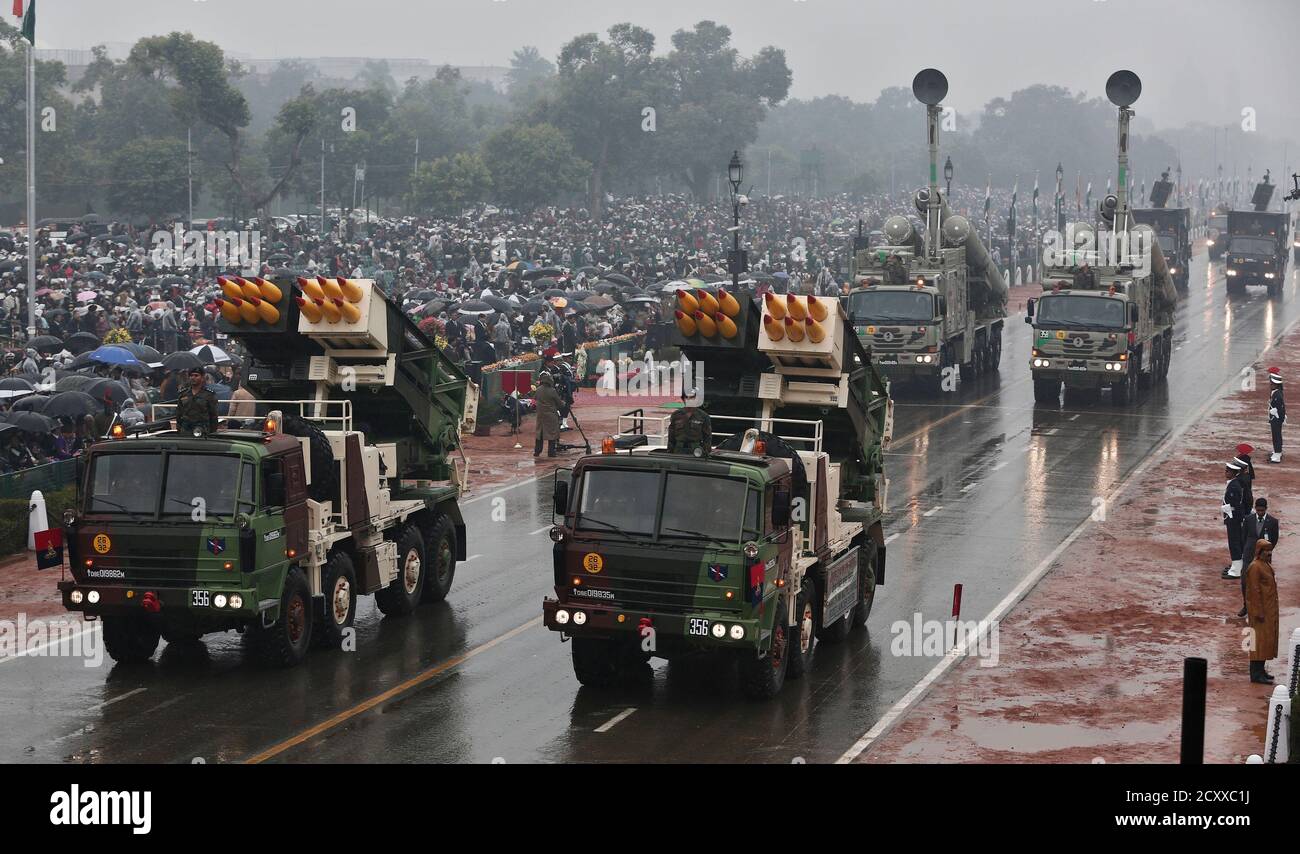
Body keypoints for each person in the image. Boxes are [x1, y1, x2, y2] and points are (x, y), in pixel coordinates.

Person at [1244, 538, 1279, 684]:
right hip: (1260, 612)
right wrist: (1258, 612)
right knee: (1258, 642)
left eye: (1270, 550)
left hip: (1268, 610)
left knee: (1265, 641)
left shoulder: (1265, 565)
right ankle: (1256, 674)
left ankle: (1261, 670)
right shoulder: (1255, 567)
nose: (1269, 553)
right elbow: (1254, 591)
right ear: (1260, 551)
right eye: (1266, 551)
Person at [1237, 497, 1279, 617]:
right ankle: (1246, 606)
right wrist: (1246, 550)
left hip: (1264, 558)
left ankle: (1262, 608)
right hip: (1249, 555)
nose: (1260, 512)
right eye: (1258, 510)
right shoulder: (1248, 519)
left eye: (1262, 510)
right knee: (1245, 581)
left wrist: (1266, 552)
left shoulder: (1273, 522)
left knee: (1263, 583)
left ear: (1266, 509)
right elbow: (1243, 536)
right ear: (1255, 508)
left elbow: (1274, 539)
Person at [1221, 457, 1249, 579]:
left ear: (1234, 473)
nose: (1226, 472)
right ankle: (1236, 566)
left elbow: (1237, 505)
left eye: (1228, 470)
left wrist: (1239, 519)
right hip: (1234, 518)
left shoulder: (1234, 486)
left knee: (1234, 543)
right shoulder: (1234, 484)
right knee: (1236, 542)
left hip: (1234, 519)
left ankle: (1236, 570)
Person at [667, 388, 712, 456]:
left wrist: (706, 453)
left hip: (696, 452)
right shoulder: (676, 415)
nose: (689, 400)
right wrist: (669, 452)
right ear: (683, 399)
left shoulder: (703, 416)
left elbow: (707, 437)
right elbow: (671, 437)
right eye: (686, 397)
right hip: (678, 451)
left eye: (692, 398)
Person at [175, 366, 219, 435]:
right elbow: (179, 413)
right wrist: (179, 428)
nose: (193, 378)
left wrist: (212, 432)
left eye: (196, 375)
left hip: (202, 429)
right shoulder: (183, 394)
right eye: (191, 376)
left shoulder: (209, 394)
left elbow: (213, 415)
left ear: (202, 377)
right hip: (186, 429)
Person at [532, 371, 563, 458]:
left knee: (539, 434)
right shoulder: (552, 391)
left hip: (540, 415)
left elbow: (535, 399)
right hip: (551, 415)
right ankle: (551, 452)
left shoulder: (538, 389)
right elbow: (559, 403)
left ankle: (537, 451)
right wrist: (564, 403)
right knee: (552, 434)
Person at [1267, 366, 1285, 463]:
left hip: (1276, 419)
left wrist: (1278, 415)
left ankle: (1277, 454)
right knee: (1276, 434)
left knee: (1276, 435)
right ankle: (1277, 450)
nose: (1270, 385)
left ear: (1276, 385)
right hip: (1275, 418)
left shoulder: (1277, 394)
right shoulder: (1276, 392)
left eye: (1272, 384)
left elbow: (1280, 407)